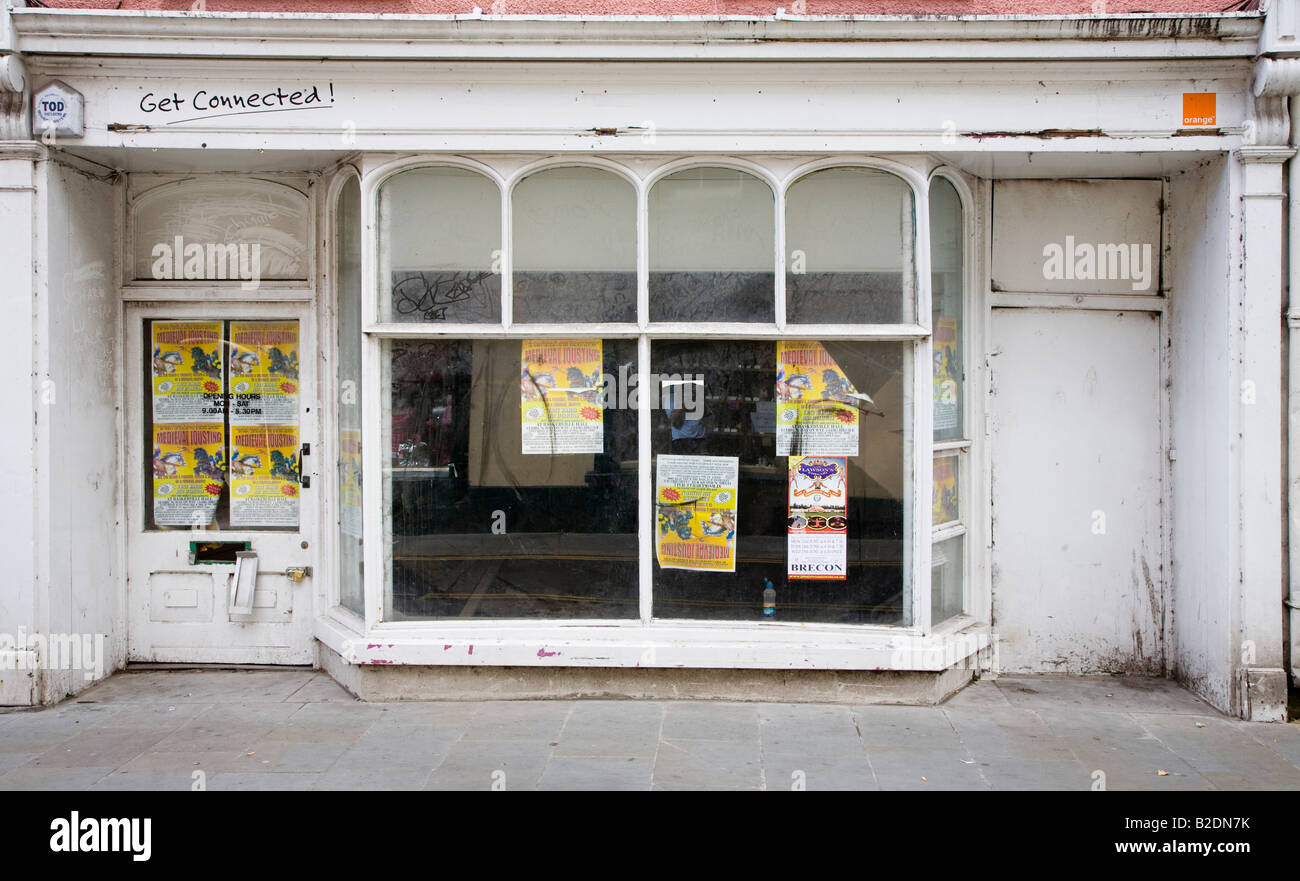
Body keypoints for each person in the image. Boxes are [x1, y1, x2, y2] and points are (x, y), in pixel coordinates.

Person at [663, 375, 706, 455]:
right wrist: (683, 404)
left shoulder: (699, 398)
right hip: (680, 440)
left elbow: (708, 417)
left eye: (692, 386)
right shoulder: (671, 398)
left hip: (699, 439)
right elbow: (674, 422)